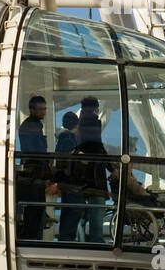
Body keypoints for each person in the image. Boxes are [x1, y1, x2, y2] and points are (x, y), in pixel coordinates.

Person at [71, 97, 110, 243]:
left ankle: (80, 243)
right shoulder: (93, 123)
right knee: (97, 214)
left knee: (81, 216)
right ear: (95, 109)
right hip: (95, 179)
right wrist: (112, 167)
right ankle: (97, 243)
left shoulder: (78, 126)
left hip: (80, 179)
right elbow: (98, 148)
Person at [17, 94, 54, 239]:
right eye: (40, 109)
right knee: (36, 210)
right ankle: (34, 240)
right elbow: (37, 152)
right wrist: (46, 173)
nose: (43, 112)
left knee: (35, 210)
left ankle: (33, 239)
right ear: (32, 110)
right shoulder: (31, 126)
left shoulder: (31, 125)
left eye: (44, 109)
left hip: (33, 172)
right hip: (34, 174)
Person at [54, 111, 82, 241]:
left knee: (68, 210)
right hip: (71, 181)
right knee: (74, 210)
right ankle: (67, 239)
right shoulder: (69, 138)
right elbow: (71, 160)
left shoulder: (62, 137)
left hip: (65, 181)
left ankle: (65, 238)